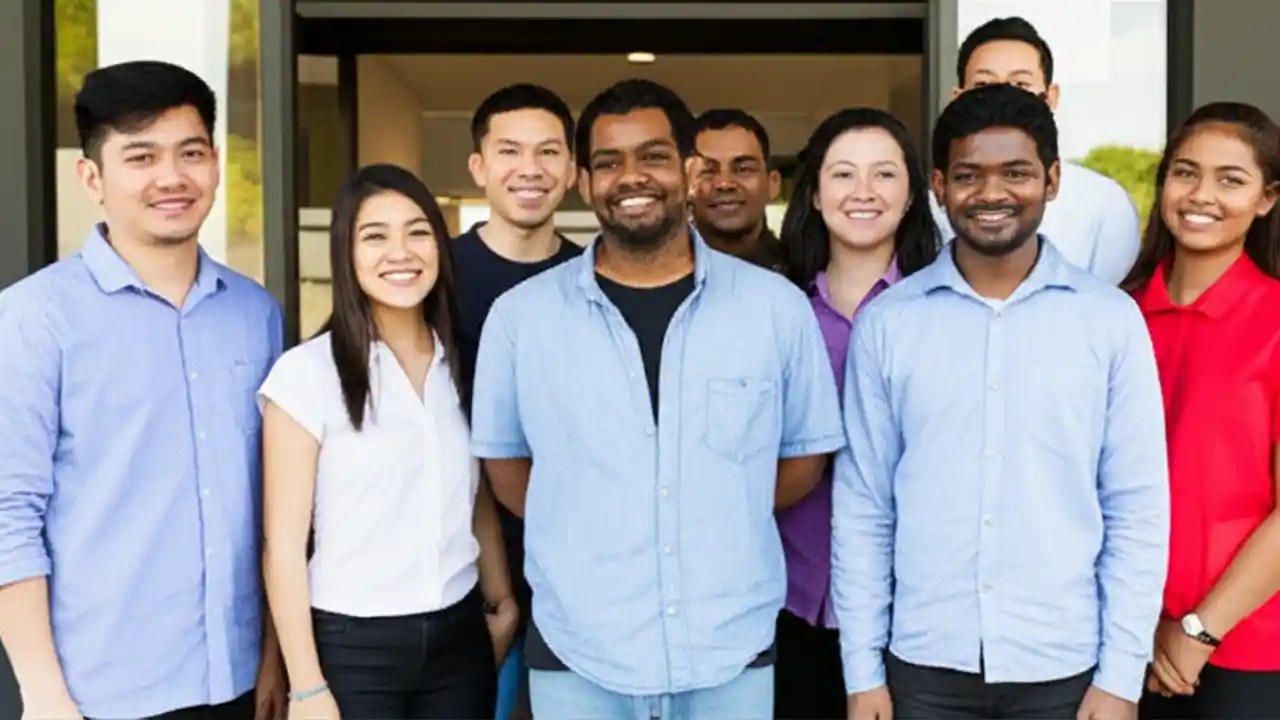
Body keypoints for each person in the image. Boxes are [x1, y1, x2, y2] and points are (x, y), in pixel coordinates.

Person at [469, 78, 845, 719]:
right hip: (579, 652)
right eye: (609, 162)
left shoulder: (775, 308)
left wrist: (714, 507)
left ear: (690, 170)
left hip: (730, 650)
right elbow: (506, 469)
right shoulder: (520, 318)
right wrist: (595, 519)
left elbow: (804, 459)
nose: (631, 177)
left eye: (653, 156)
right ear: (584, 181)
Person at [834, 84, 1170, 720]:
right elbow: (864, 508)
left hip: (1066, 666)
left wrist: (1122, 677)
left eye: (1016, 172)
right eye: (968, 175)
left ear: (1052, 180)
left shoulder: (1109, 321)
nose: (992, 193)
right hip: (924, 665)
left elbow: (1137, 509)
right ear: (939, 186)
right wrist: (862, 671)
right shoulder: (890, 323)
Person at [0, 60, 285, 720]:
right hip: (100, 695)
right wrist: (42, 693)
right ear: (91, 177)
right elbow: (9, 512)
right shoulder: (33, 319)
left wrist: (275, 659)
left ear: (215, 163)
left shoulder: (256, 314)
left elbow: (273, 503)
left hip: (241, 681)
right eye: (141, 157)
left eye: (191, 153)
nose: (172, 177)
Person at [259, 164, 517, 720]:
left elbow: (473, 494)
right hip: (354, 649)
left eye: (417, 232)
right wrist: (306, 686)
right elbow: (283, 547)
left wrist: (502, 601)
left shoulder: (462, 363)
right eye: (375, 236)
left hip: (459, 638)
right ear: (346, 254)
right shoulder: (306, 375)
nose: (400, 252)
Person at [775, 107, 940, 719]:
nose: (863, 191)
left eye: (884, 174)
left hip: (914, 609)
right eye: (843, 174)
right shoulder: (776, 310)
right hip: (789, 598)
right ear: (815, 194)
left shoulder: (945, 310)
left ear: (912, 194)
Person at [1124, 102, 1280, 719]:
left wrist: (1199, 631)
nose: (1201, 195)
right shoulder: (1115, 317)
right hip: (1124, 640)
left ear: (1267, 199)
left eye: (1230, 179)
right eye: (1185, 173)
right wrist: (1143, 625)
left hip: (1247, 649)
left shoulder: (1275, 319)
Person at [453, 82, 581, 720]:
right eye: (509, 151)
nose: (530, 169)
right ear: (479, 167)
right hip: (455, 564)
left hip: (576, 561)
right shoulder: (430, 274)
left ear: (573, 171)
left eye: (548, 152)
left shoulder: (598, 279)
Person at [930, 15, 1141, 285]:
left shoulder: (1104, 203)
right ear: (958, 98)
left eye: (1021, 85)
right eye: (984, 86)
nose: (1004, 98)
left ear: (1050, 97)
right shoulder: (934, 205)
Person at [689, 108, 783, 268]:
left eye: (743, 169)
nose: (725, 184)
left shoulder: (802, 275)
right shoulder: (658, 274)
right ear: (685, 186)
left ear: (773, 183)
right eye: (708, 171)